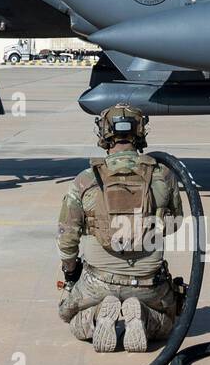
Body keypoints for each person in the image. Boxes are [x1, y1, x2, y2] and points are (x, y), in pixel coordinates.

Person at [57, 104, 184, 352]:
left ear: (104, 134)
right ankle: (143, 317)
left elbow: (67, 237)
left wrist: (71, 274)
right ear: (140, 131)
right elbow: (176, 222)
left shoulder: (85, 178)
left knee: (68, 316)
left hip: (98, 280)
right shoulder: (164, 175)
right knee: (169, 322)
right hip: (149, 283)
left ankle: (97, 316)